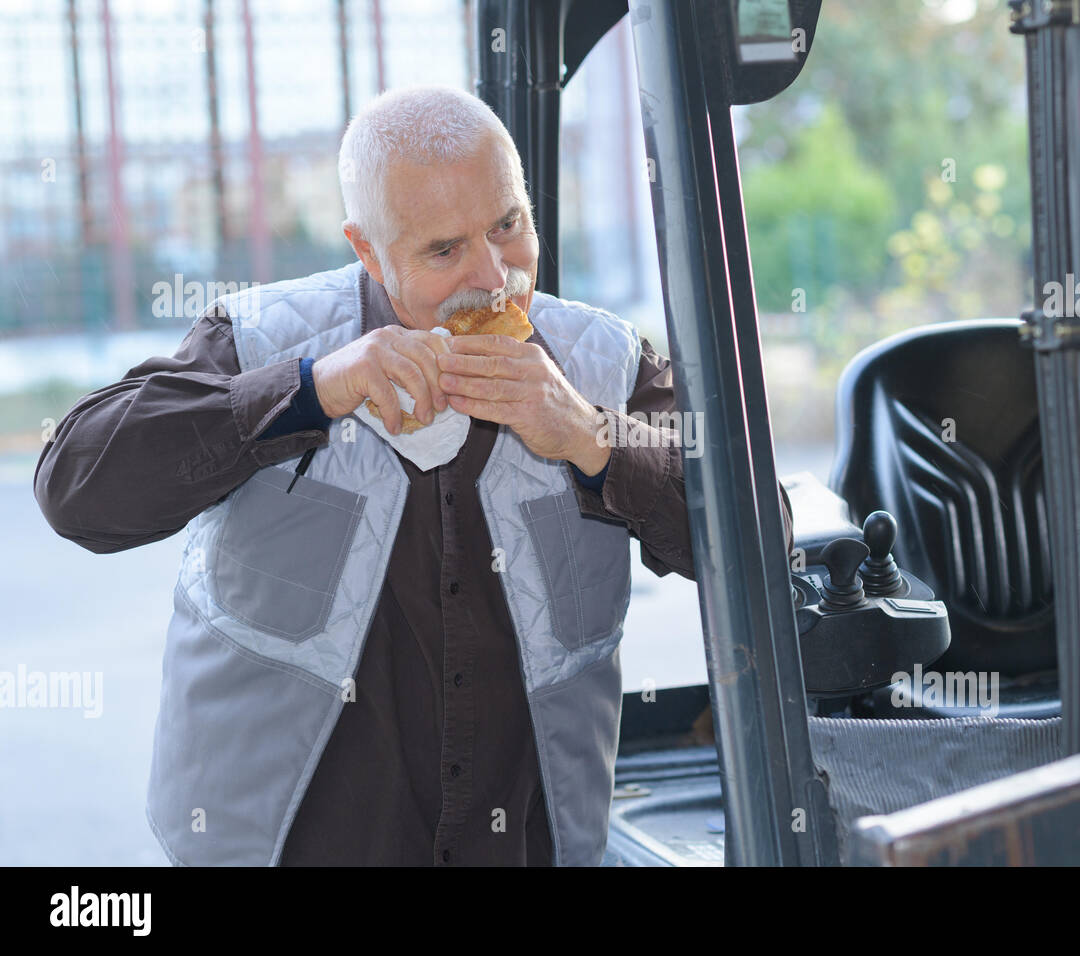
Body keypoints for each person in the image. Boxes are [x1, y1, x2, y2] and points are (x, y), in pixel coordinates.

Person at [33, 84, 793, 866]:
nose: (495, 276)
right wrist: (312, 389)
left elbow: (765, 540)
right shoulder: (261, 339)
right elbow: (75, 486)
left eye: (509, 225)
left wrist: (592, 437)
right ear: (368, 251)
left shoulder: (605, 363)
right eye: (444, 250)